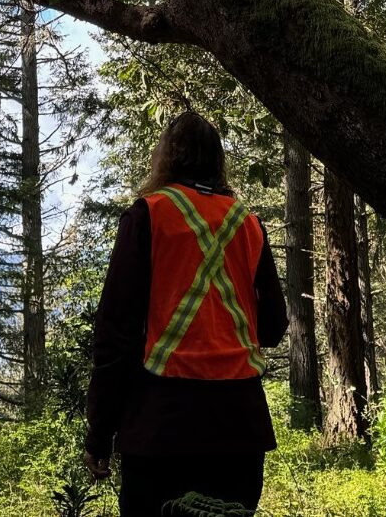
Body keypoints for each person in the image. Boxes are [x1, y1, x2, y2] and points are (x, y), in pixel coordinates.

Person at [83, 111, 288, 517]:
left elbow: (115, 333)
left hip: (163, 428)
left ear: (167, 158)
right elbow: (273, 326)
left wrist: (100, 432)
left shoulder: (149, 214)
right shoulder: (247, 223)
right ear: (217, 161)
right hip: (239, 428)